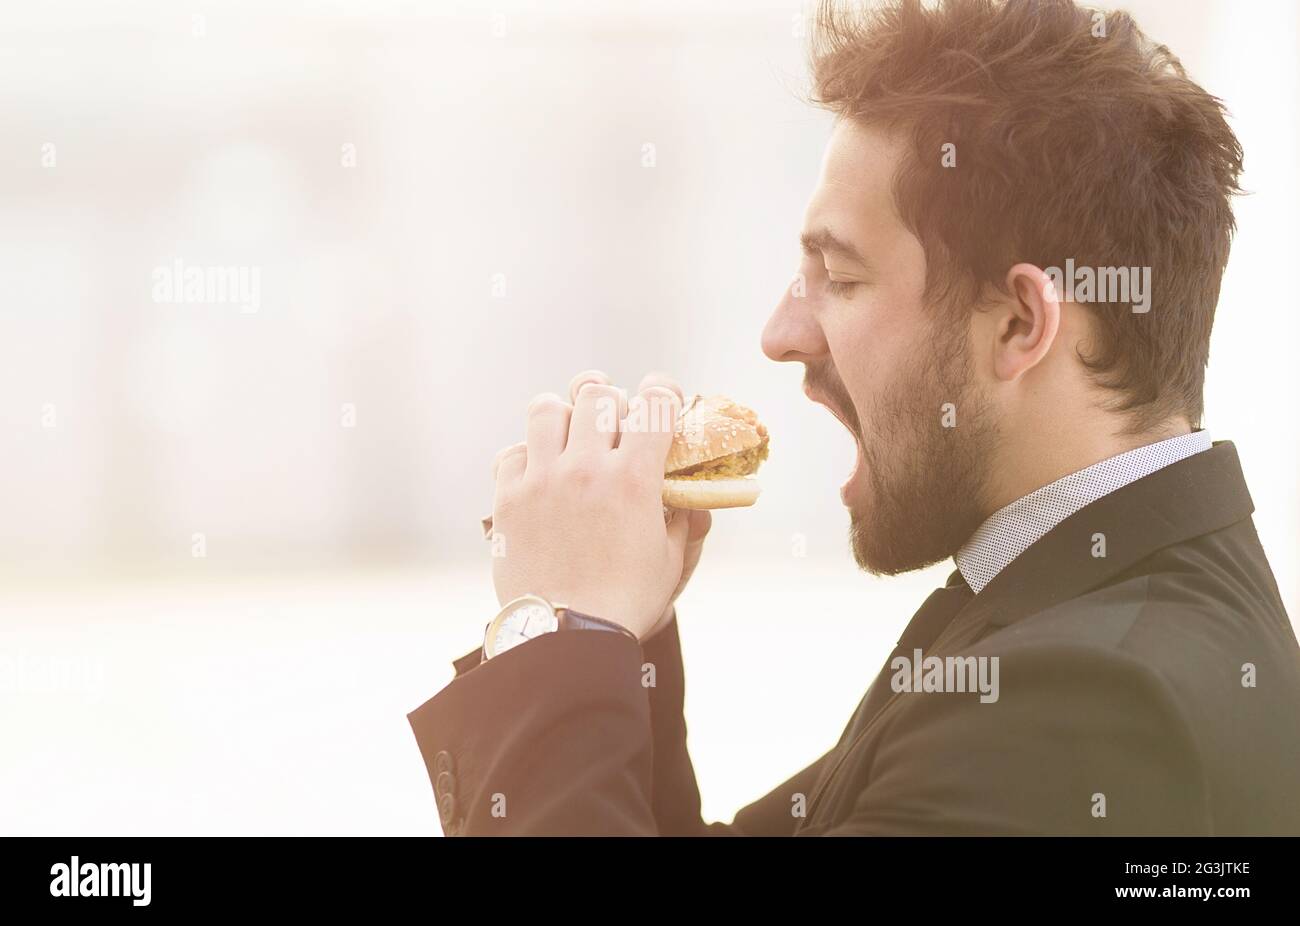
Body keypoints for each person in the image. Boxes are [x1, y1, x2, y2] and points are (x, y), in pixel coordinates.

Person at [406, 0, 1300, 835]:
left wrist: (566, 628)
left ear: (1019, 325)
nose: (781, 335)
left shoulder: (1087, 706)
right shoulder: (1079, 610)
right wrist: (618, 632)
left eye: (840, 276)